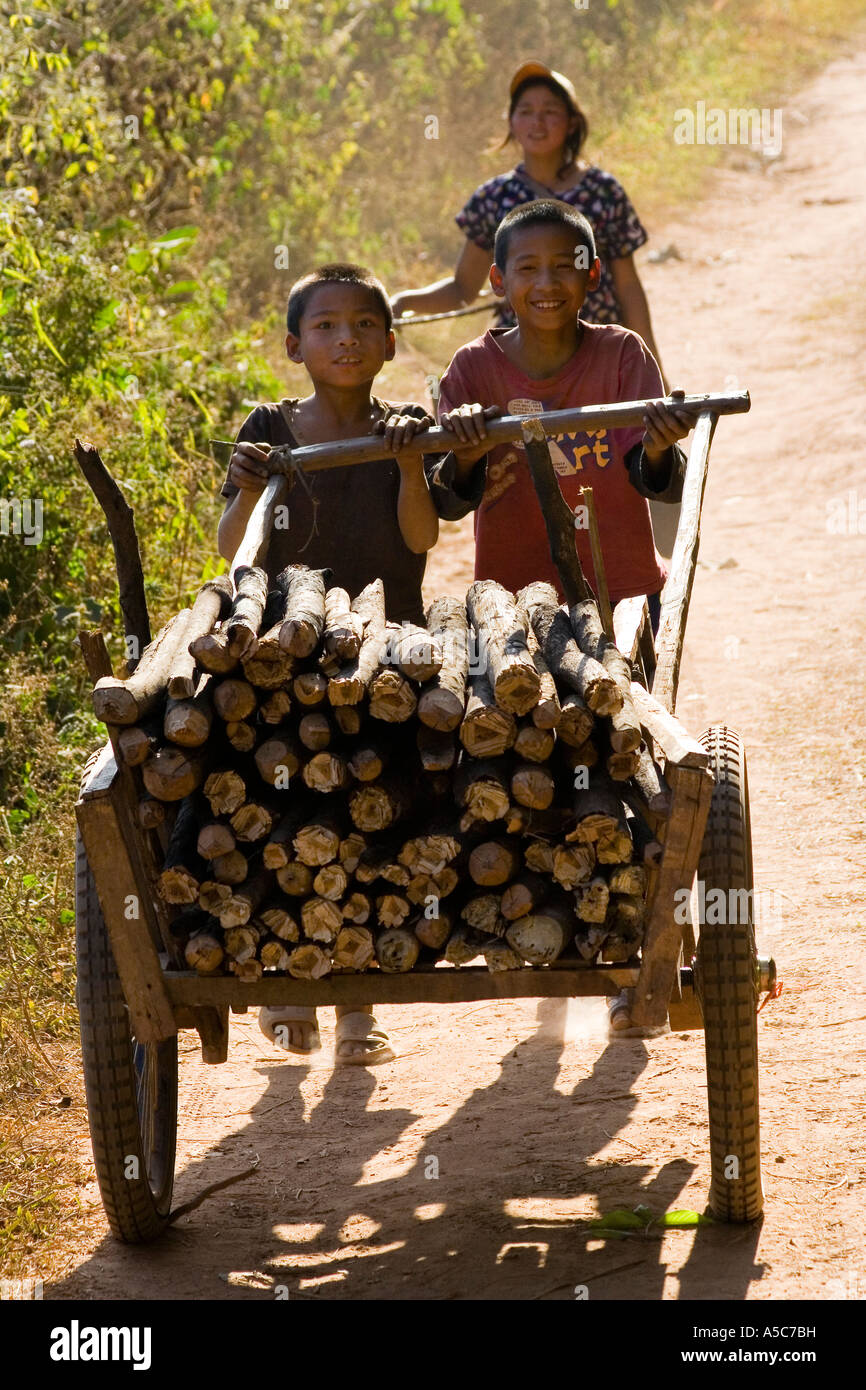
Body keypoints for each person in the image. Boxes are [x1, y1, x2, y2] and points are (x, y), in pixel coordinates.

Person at [218, 262, 485, 1064]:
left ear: (391, 342)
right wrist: (241, 488)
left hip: (385, 649)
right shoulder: (269, 428)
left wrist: (410, 463)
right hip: (284, 653)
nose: (348, 339)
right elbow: (236, 551)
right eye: (328, 326)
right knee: (285, 811)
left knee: (377, 810)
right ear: (295, 345)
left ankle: (359, 1009)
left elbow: (419, 540)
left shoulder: (407, 423)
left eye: (365, 325)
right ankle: (291, 984)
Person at [436, 200, 694, 632]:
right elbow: (447, 501)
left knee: (627, 697)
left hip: (622, 589)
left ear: (592, 274)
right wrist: (464, 456)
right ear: (498, 280)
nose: (547, 283)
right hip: (512, 600)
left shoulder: (622, 355)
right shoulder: (472, 370)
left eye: (563, 266)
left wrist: (658, 448)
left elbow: (659, 482)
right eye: (528, 268)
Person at [391, 60, 667, 382]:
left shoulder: (603, 193)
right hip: (520, 370)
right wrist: (402, 302)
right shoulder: (493, 198)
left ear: (573, 123)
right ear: (511, 122)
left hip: (598, 360)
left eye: (550, 111)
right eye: (525, 111)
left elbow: (627, 285)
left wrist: (654, 371)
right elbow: (463, 288)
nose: (538, 121)